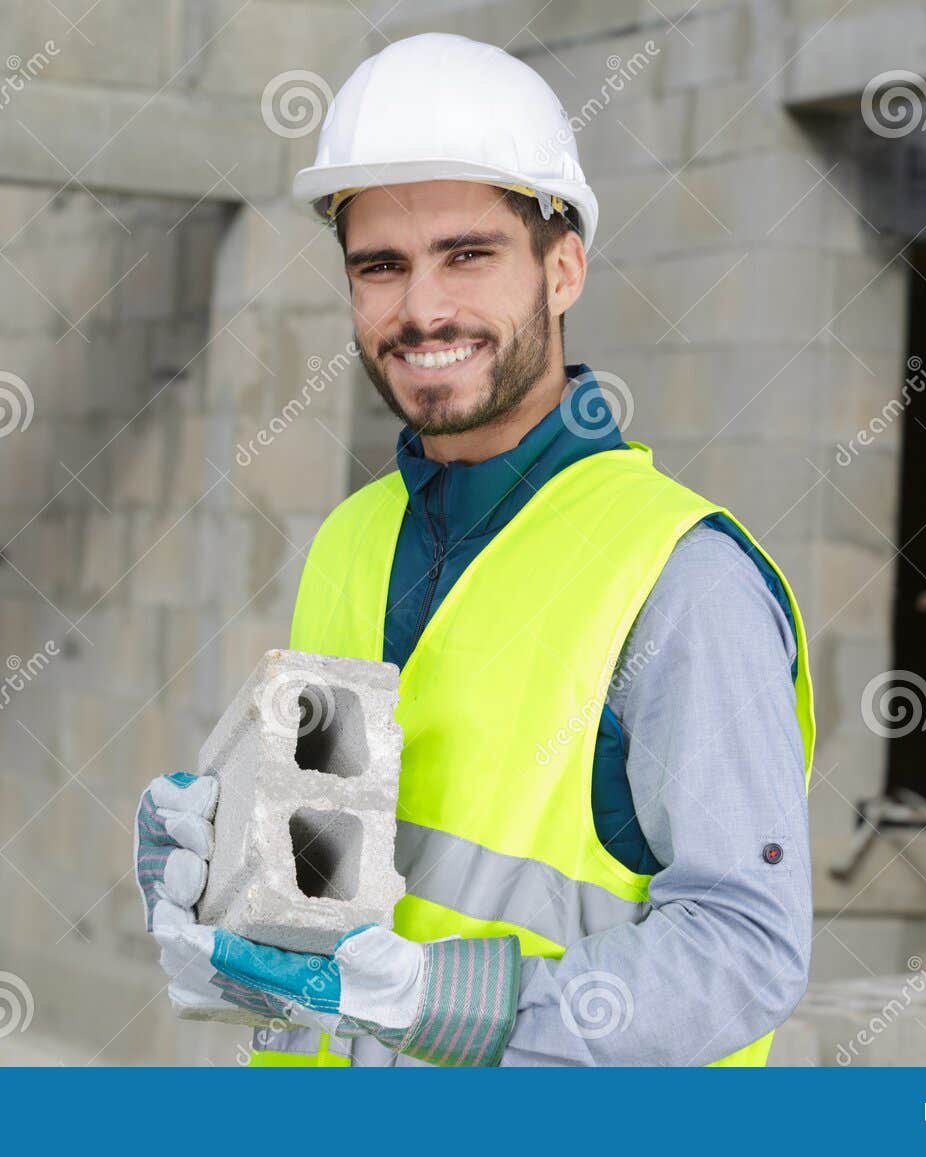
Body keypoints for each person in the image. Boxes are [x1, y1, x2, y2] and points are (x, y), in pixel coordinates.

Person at [134, 31, 816, 1067]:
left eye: (467, 254)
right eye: (381, 266)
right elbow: (331, 908)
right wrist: (226, 900)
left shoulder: (682, 577)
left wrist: (457, 1003)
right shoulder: (351, 539)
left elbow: (747, 950)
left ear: (563, 266)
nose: (422, 308)